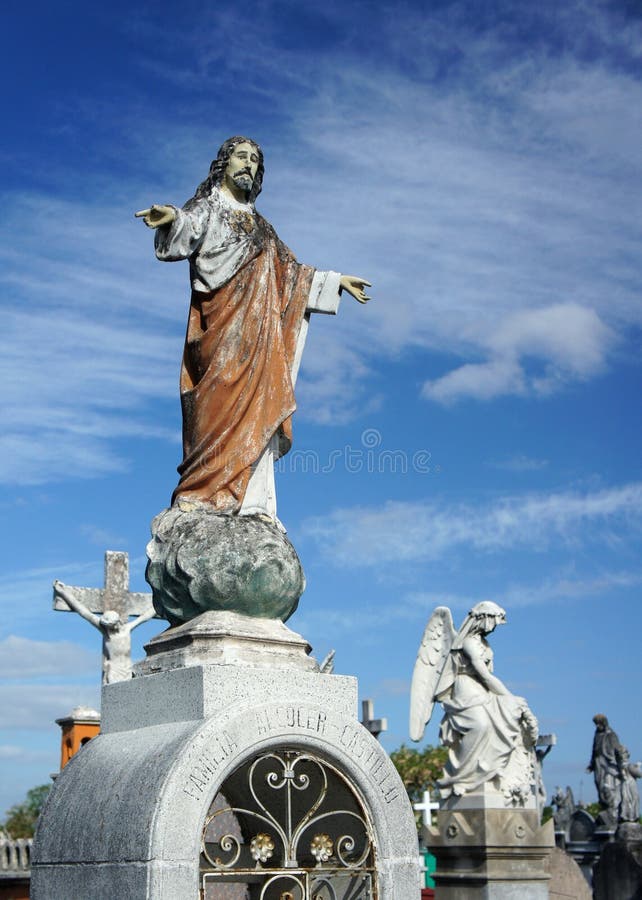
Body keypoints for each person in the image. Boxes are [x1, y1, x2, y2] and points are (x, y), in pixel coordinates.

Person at [136, 136, 370, 524]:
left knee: (256, 409)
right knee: (215, 405)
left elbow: (292, 275)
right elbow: (187, 227)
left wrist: (334, 282)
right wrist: (172, 219)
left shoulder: (263, 228)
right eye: (241, 157)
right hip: (221, 331)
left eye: (254, 160)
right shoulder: (209, 208)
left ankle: (249, 500)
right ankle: (202, 491)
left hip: (260, 341)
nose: (248, 165)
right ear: (224, 165)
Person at [435, 602, 538, 801]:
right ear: (484, 618)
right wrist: (509, 697)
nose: (494, 626)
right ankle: (461, 777)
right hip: (466, 689)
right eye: (494, 621)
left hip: (483, 690)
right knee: (480, 725)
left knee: (504, 721)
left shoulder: (484, 643)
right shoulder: (467, 643)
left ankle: (490, 775)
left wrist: (509, 701)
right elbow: (485, 675)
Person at [53, 581, 156, 684]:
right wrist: (64, 593)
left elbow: (145, 617)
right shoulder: (107, 633)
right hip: (113, 671)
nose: (112, 629)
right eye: (109, 627)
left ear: (118, 622)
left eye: (113, 626)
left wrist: (163, 601)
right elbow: (84, 613)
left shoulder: (127, 629)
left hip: (128, 669)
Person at [587, 714, 624, 827]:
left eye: (599, 723)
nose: (597, 726)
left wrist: (621, 765)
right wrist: (591, 764)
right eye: (596, 724)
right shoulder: (597, 734)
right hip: (598, 764)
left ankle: (612, 811)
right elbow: (594, 750)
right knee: (599, 784)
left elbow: (618, 750)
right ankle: (605, 807)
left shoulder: (611, 735)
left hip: (608, 765)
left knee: (607, 786)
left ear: (604, 723)